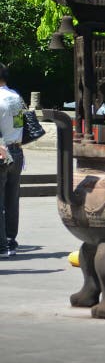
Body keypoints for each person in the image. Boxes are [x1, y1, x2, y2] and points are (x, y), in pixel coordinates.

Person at [0, 63, 25, 258]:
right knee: (12, 199)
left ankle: (1, 243)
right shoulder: (16, 97)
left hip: (1, 152)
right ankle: (10, 240)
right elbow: (19, 124)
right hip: (16, 150)